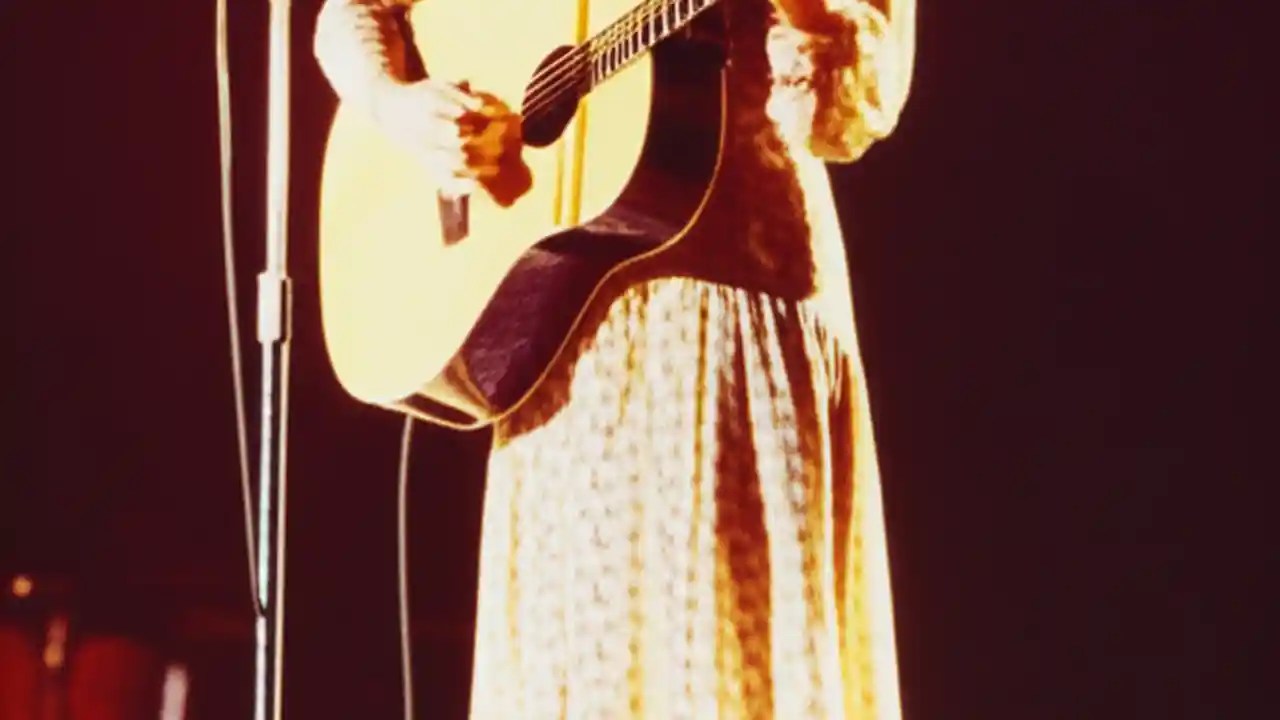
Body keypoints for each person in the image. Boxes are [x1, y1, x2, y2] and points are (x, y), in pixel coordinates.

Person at [313, 0, 915, 717]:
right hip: (566, 336)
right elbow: (350, 15)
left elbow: (856, 100)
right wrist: (398, 107)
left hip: (730, 299)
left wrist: (809, 21)